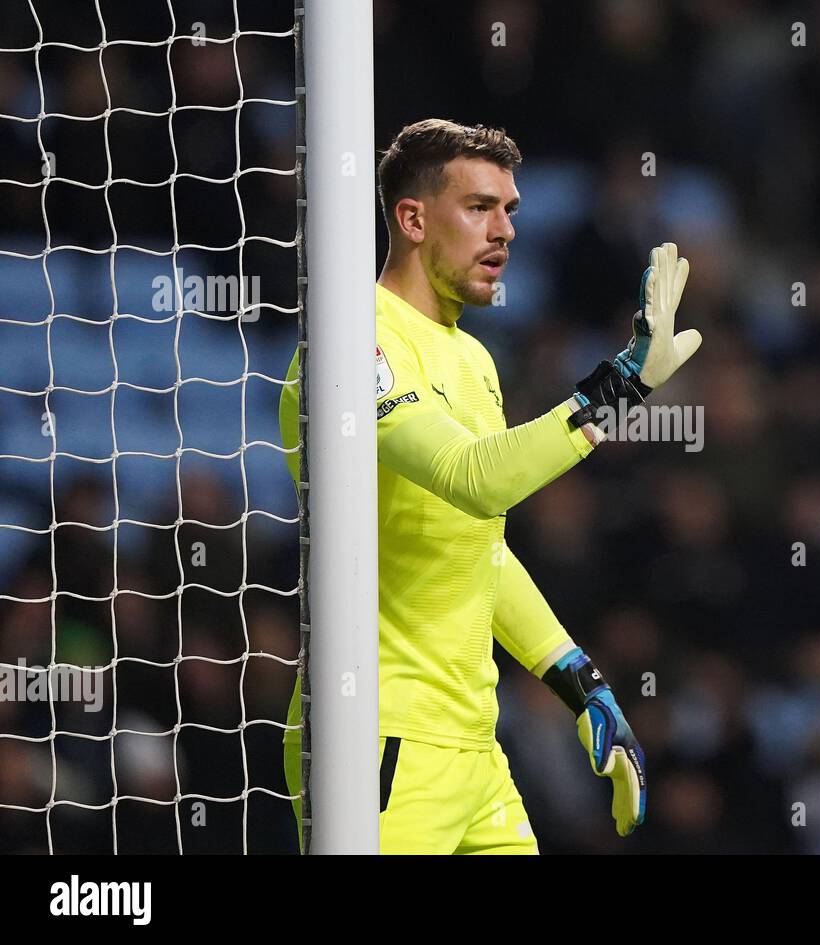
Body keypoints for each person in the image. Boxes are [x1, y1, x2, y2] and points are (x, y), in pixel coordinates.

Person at [278, 118, 702, 853]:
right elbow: (472, 480)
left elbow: (481, 544)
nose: (504, 230)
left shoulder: (474, 359)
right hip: (379, 739)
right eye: (479, 207)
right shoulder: (355, 341)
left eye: (510, 210)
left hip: (475, 745)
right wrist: (621, 385)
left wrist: (582, 683)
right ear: (412, 218)